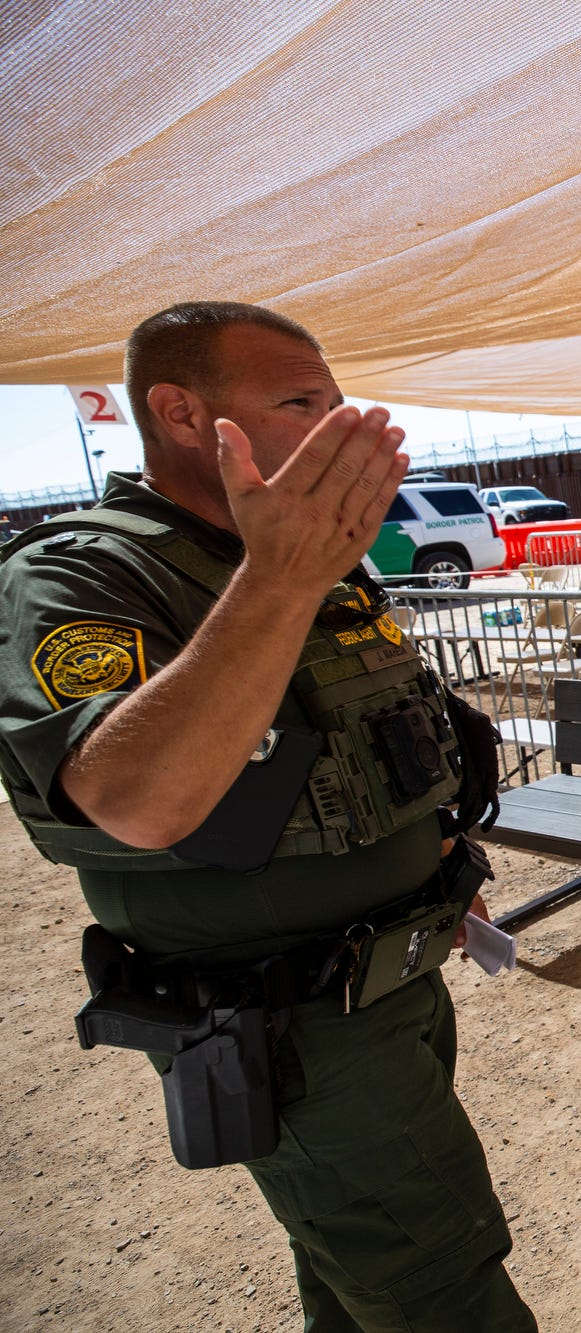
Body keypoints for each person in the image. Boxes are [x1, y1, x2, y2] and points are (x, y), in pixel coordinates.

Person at [0, 302, 535, 1331]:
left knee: (351, 1274)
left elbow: (372, 736)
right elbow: (133, 798)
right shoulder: (83, 571)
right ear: (181, 413)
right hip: (289, 1026)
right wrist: (277, 579)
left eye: (339, 401)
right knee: (442, 1290)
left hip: (399, 986)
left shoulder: (311, 556)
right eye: (300, 401)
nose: (336, 426)